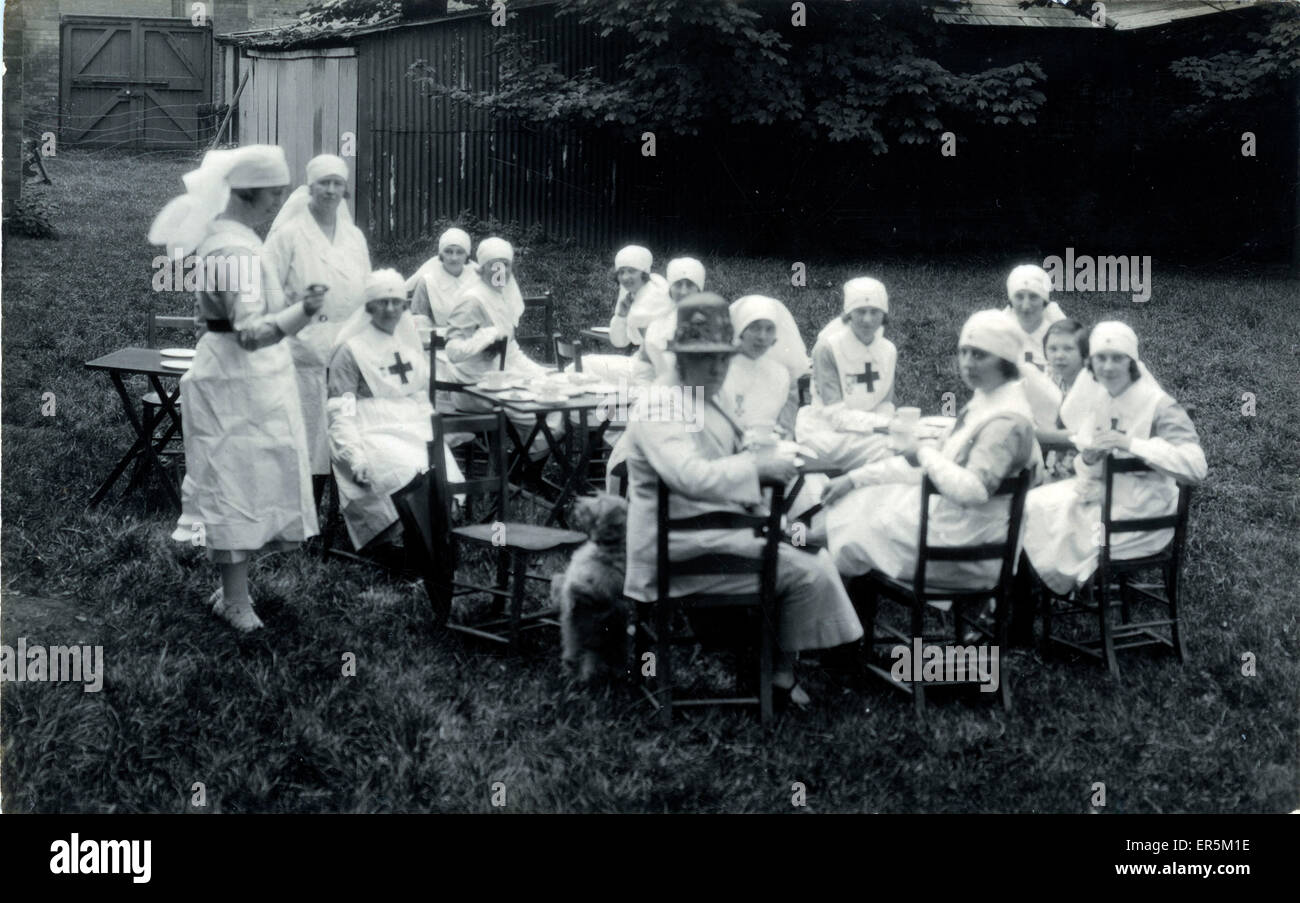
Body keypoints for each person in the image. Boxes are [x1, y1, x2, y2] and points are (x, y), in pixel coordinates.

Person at [622, 293, 864, 708]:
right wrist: (757, 467)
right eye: (707, 359)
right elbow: (690, 476)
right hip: (675, 547)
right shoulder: (661, 404)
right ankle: (778, 676)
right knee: (809, 570)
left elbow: (727, 450)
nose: (720, 368)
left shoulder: (702, 395)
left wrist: (756, 449)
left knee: (811, 551)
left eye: (724, 358)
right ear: (680, 357)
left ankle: (771, 663)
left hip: (708, 528)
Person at [149, 145, 322, 632]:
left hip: (248, 376)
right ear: (247, 192)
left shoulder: (232, 238)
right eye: (274, 192)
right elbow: (249, 332)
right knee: (234, 480)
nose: (279, 200)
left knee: (252, 474)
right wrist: (303, 312)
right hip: (235, 376)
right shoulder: (231, 250)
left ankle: (232, 589)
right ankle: (234, 599)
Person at [816, 309, 1042, 591]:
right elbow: (935, 464)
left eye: (979, 355)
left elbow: (973, 490)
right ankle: (840, 599)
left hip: (968, 548)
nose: (967, 363)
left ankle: (835, 603)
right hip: (958, 530)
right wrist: (854, 478)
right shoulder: (987, 403)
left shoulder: (1005, 422)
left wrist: (923, 453)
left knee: (853, 521)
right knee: (859, 502)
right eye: (964, 352)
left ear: (1005, 361)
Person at [1021, 321, 1207, 596]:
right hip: (1105, 500)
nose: (1108, 367)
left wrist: (1131, 444)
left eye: (1117, 358)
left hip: (1144, 515)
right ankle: (1033, 601)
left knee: (1046, 520)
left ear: (1131, 361)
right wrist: (1088, 459)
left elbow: (1196, 466)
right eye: (1101, 358)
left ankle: (1038, 601)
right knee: (1028, 505)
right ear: (1091, 363)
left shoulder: (1159, 405)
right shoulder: (1102, 399)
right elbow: (1090, 463)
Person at [325, 269, 464, 557]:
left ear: (404, 306)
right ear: (369, 306)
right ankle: (409, 545)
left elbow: (420, 398)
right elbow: (341, 412)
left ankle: (430, 545)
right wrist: (354, 455)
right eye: (382, 302)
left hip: (414, 427)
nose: (390, 309)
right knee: (407, 474)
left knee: (440, 469)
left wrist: (437, 433)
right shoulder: (351, 350)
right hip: (370, 431)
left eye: (396, 302)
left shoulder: (408, 345)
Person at [263, 154, 372, 498]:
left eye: (337, 183)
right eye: (323, 183)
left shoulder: (354, 237)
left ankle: (343, 510)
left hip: (347, 350)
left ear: (344, 190)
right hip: (303, 351)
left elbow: (366, 289)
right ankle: (301, 510)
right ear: (310, 188)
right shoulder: (289, 236)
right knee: (307, 436)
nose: (330, 190)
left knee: (344, 427)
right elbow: (267, 290)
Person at [441, 236, 562, 484]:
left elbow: (511, 350)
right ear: (482, 268)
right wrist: (484, 337)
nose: (500, 271)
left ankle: (520, 470)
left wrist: (542, 373)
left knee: (556, 401)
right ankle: (520, 472)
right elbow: (452, 351)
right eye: (494, 265)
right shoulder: (472, 299)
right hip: (472, 386)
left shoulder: (501, 296)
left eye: (505, 265)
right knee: (544, 412)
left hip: (498, 381)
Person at [795, 277, 897, 473]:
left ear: (883, 315)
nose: (867, 319)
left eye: (874, 312)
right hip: (826, 432)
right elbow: (835, 416)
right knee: (893, 451)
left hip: (870, 432)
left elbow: (885, 404)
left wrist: (887, 425)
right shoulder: (827, 348)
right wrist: (886, 425)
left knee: (905, 445)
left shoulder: (888, 350)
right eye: (860, 311)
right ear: (848, 314)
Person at [723, 294, 809, 439]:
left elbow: (786, 429)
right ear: (740, 331)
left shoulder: (781, 374)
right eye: (755, 328)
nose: (762, 337)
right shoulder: (719, 370)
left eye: (769, 329)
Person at [632, 256, 707, 383]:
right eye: (678, 285)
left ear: (699, 290)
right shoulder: (659, 316)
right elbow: (644, 360)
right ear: (670, 289)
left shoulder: (708, 321)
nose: (683, 292)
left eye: (689, 285)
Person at [1038, 318, 1089, 480]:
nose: (1059, 355)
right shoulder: (1050, 376)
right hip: (1055, 460)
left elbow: (1086, 436)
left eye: (1068, 349)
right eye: (1052, 349)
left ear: (1083, 352)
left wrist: (1036, 435)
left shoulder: (1090, 381)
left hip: (1086, 464)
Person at [406, 227, 478, 327]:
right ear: (441, 254)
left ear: (467, 255)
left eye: (460, 252)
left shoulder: (478, 279)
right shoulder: (427, 282)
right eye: (448, 251)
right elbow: (419, 322)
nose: (454, 258)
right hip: (437, 336)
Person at [607, 244, 673, 351]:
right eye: (621, 272)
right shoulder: (629, 293)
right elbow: (619, 342)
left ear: (644, 273)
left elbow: (659, 343)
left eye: (632, 271)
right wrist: (621, 315)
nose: (625, 277)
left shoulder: (657, 293)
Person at [1002, 264, 1066, 372]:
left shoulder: (1060, 334)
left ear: (1044, 301)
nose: (1026, 306)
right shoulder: (999, 333)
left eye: (1033, 296)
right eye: (1019, 297)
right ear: (1011, 300)